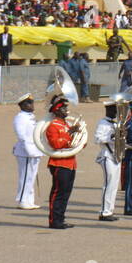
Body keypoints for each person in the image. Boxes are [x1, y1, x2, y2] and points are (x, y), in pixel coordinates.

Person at [43, 93, 79, 229]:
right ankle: (54, 220)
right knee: (58, 193)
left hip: (70, 163)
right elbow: (56, 144)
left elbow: (76, 143)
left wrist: (78, 136)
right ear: (57, 110)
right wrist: (70, 133)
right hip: (59, 163)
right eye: (63, 108)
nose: (66, 110)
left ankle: (61, 218)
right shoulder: (53, 125)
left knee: (65, 193)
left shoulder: (66, 124)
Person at [93, 96, 123, 222]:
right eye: (112, 110)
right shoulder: (103, 123)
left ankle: (110, 210)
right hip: (107, 156)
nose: (114, 113)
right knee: (108, 184)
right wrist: (111, 136)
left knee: (114, 185)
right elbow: (97, 139)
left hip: (116, 156)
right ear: (108, 111)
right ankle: (104, 212)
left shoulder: (116, 123)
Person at [12, 93, 41, 210]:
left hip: (34, 150)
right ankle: (22, 200)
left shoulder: (31, 116)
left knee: (31, 176)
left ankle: (29, 200)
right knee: (25, 177)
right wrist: (29, 150)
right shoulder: (21, 117)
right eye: (29, 103)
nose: (32, 105)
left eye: (32, 102)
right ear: (23, 105)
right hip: (25, 152)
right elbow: (21, 135)